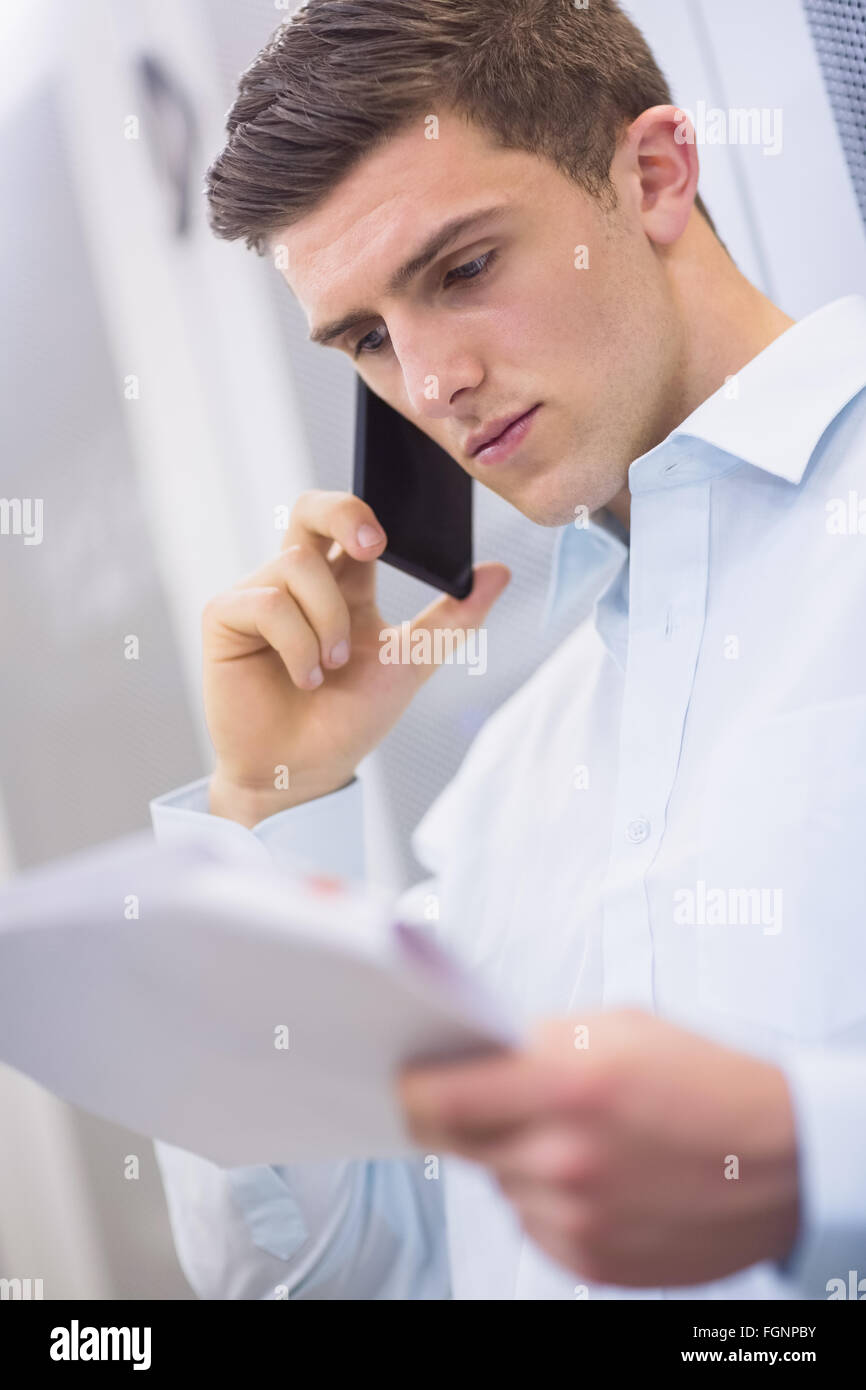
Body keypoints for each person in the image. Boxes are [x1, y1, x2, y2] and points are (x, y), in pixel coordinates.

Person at [150, 0, 866, 1299]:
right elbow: (313, 1274)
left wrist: (811, 1153)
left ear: (653, 175)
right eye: (366, 337)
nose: (426, 384)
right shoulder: (506, 796)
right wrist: (266, 803)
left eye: (461, 268)